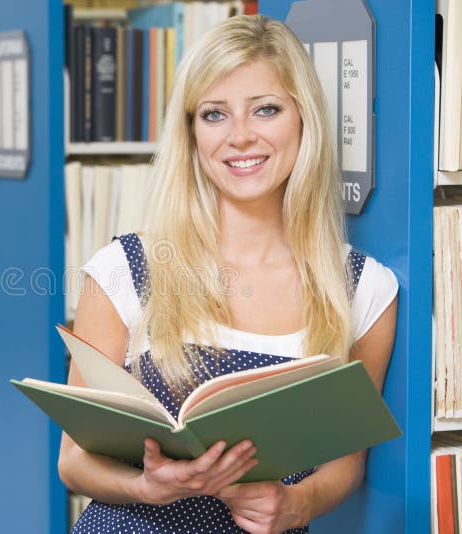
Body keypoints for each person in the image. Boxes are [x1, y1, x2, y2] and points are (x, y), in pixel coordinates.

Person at [59, 14, 398, 534]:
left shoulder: (363, 290)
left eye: (266, 110)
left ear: (303, 118)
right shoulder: (123, 269)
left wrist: (298, 504)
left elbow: (348, 461)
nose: (240, 137)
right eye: (214, 115)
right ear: (192, 135)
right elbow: (73, 461)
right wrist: (144, 486)